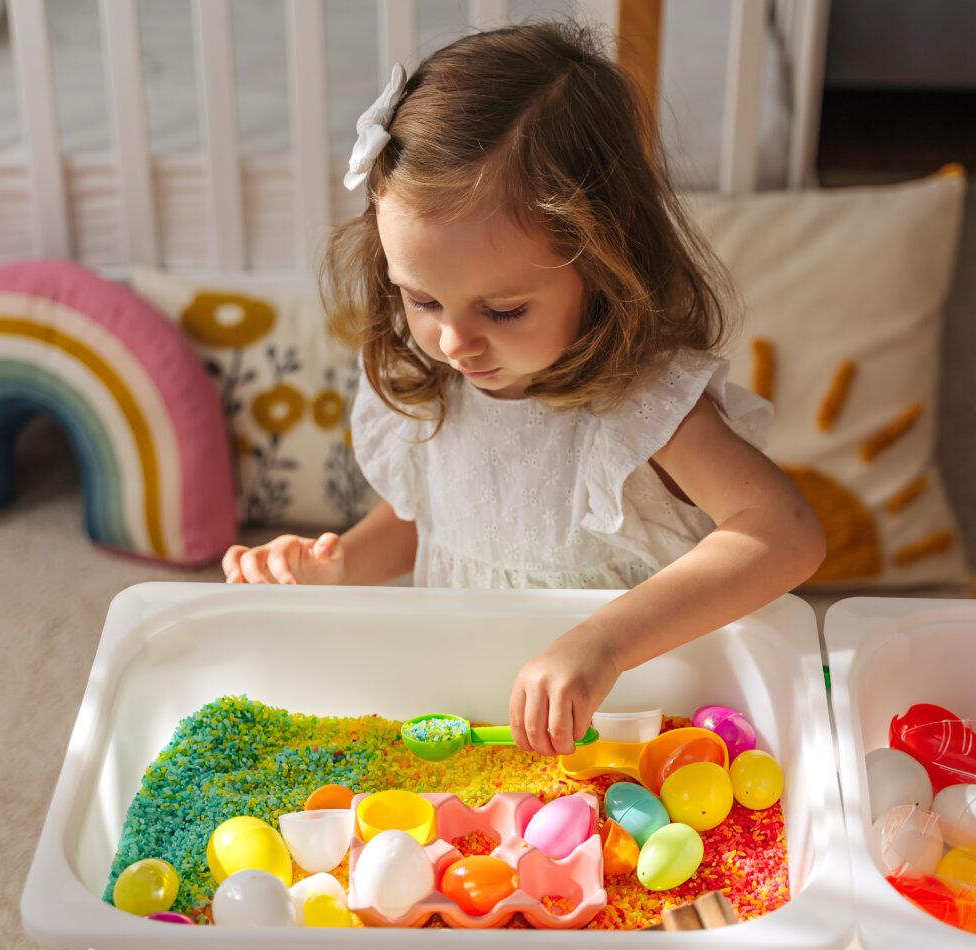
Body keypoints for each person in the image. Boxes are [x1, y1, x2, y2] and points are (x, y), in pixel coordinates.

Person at [223, 22, 825, 756]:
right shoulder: (437, 383)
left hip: (640, 720)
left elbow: (784, 534)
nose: (455, 342)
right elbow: (432, 518)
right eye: (422, 300)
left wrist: (603, 642)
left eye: (503, 310)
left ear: (602, 264)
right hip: (477, 713)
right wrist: (342, 565)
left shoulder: (640, 404)